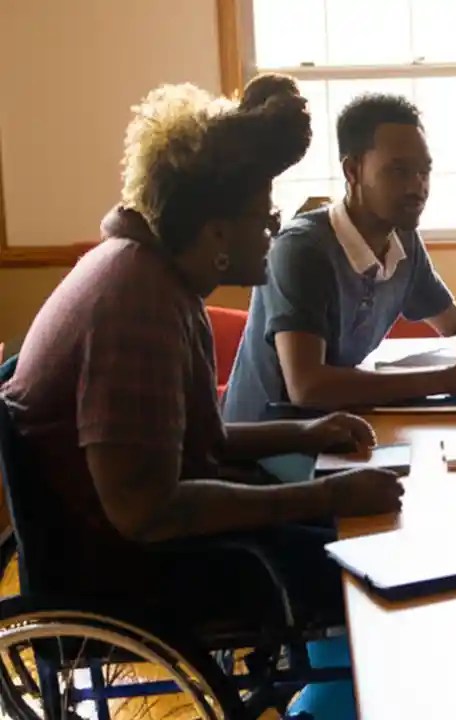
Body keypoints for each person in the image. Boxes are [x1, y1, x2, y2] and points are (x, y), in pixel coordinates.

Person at [0, 76, 400, 710]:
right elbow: (147, 510)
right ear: (216, 234)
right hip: (130, 570)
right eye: (264, 215)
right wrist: (326, 494)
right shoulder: (136, 304)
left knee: (359, 522)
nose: (274, 229)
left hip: (145, 537)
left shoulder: (150, 273)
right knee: (377, 564)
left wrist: (305, 433)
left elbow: (193, 439)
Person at [222, 93, 456, 422]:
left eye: (424, 172)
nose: (417, 187)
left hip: (335, 428)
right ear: (352, 170)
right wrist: (447, 379)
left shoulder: (402, 238)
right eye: (399, 171)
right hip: (269, 447)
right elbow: (307, 388)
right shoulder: (303, 250)